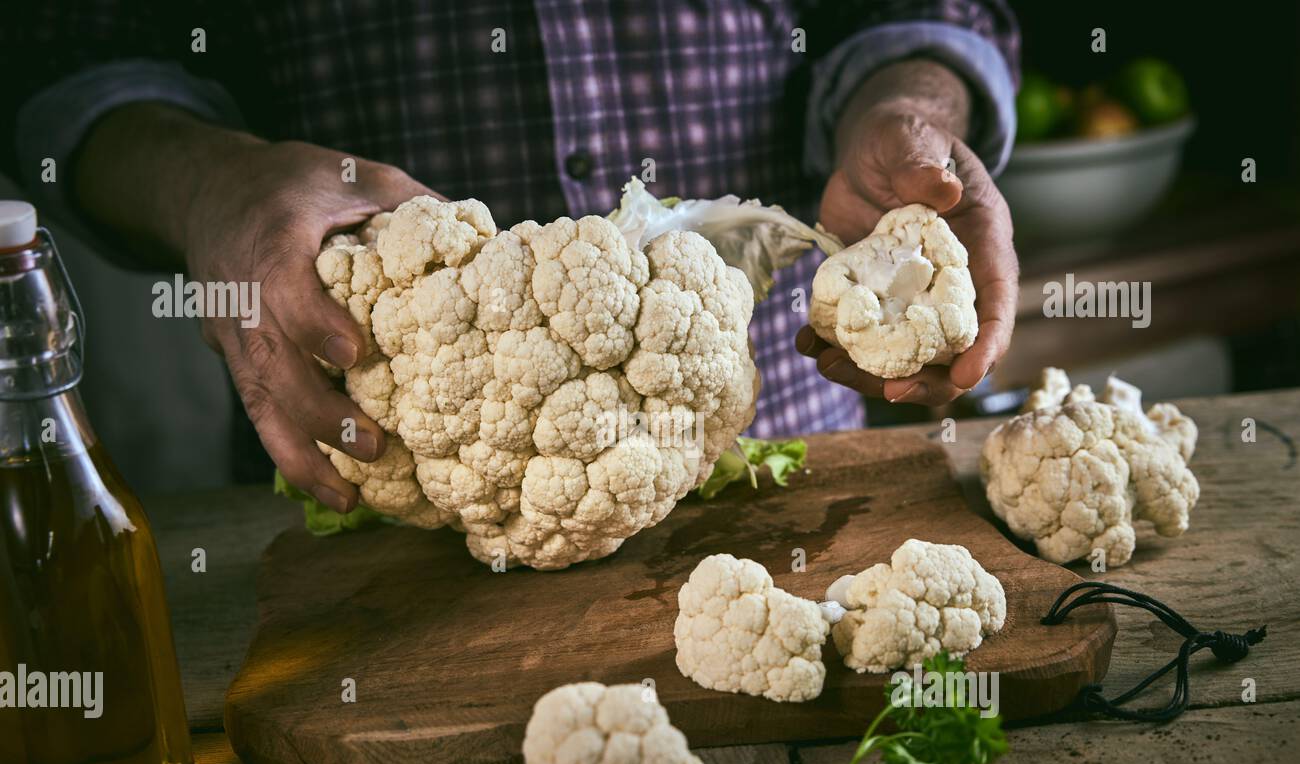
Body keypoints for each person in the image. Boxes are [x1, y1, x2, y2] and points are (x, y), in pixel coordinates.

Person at [6, 1, 1019, 513]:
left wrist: (909, 107)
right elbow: (67, 55)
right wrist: (204, 181)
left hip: (787, 452)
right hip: (363, 468)